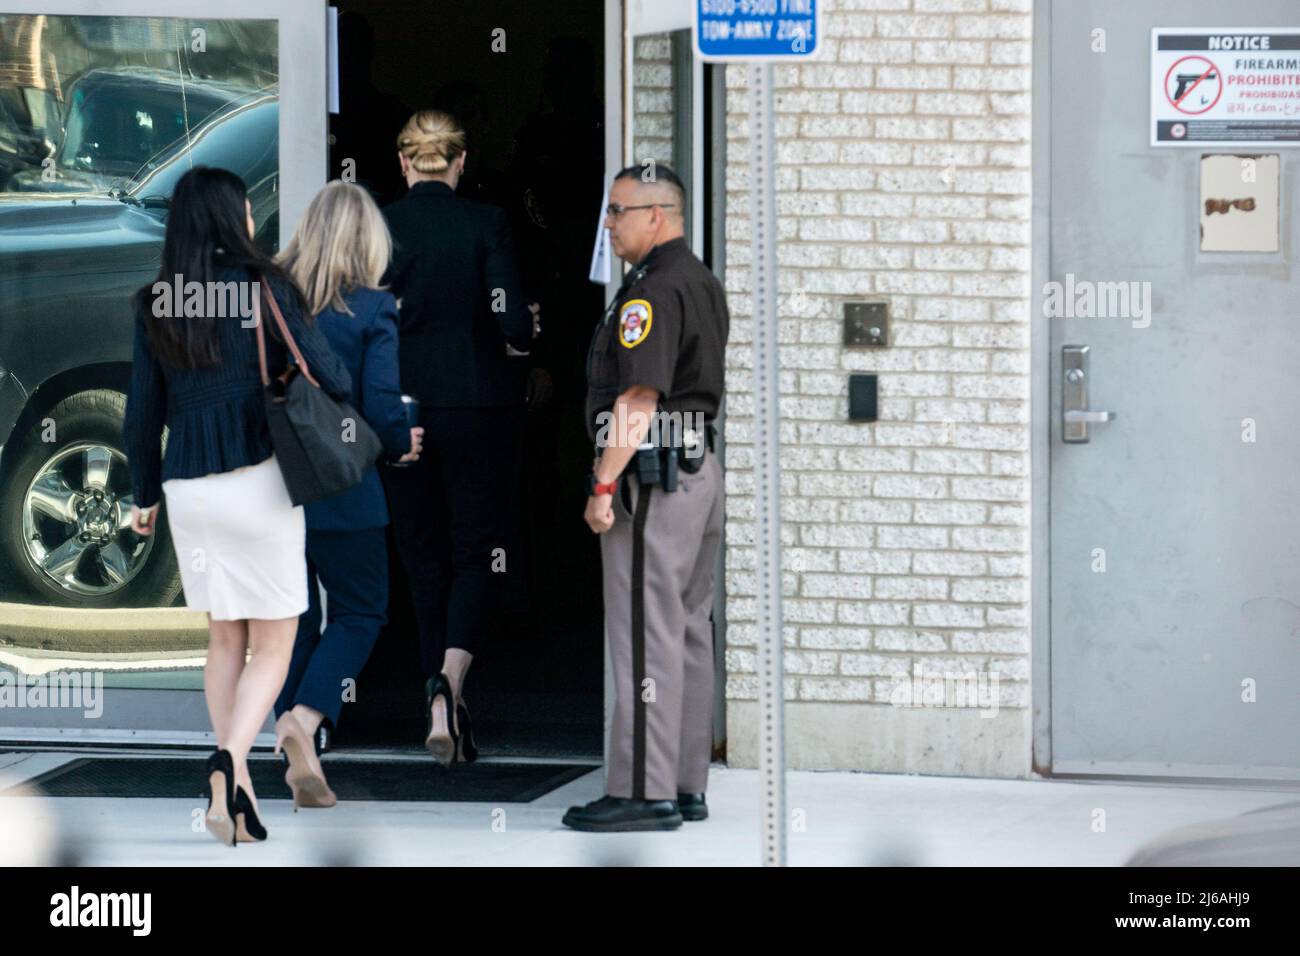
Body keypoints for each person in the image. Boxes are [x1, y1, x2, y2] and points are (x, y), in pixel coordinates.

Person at [123, 166, 353, 845]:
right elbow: (331, 377)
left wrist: (143, 496)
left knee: (225, 637)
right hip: (258, 479)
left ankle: (240, 790)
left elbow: (141, 416)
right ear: (233, 220)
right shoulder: (265, 289)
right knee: (276, 641)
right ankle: (230, 760)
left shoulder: (156, 302)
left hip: (188, 490)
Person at [562, 165, 729, 832]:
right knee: (687, 631)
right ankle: (685, 785)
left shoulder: (653, 293)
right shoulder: (700, 280)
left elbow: (637, 398)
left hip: (653, 478)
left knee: (643, 634)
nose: (608, 223)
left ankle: (641, 790)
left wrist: (604, 483)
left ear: (656, 215)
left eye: (618, 211)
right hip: (696, 470)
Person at [381, 110, 538, 765]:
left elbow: (366, 309)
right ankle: (451, 680)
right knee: (477, 551)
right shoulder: (486, 223)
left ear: (403, 162)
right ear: (461, 162)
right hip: (476, 404)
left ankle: (432, 694)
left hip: (403, 404)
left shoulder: (379, 223)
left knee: (421, 555)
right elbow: (507, 316)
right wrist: (523, 326)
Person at [270, 181, 424, 807]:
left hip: (273, 487)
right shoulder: (372, 308)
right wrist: (401, 440)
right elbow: (382, 403)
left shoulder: (269, 301)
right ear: (367, 242)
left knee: (294, 619)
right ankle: (304, 720)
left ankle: (288, 735)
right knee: (362, 610)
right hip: (345, 486)